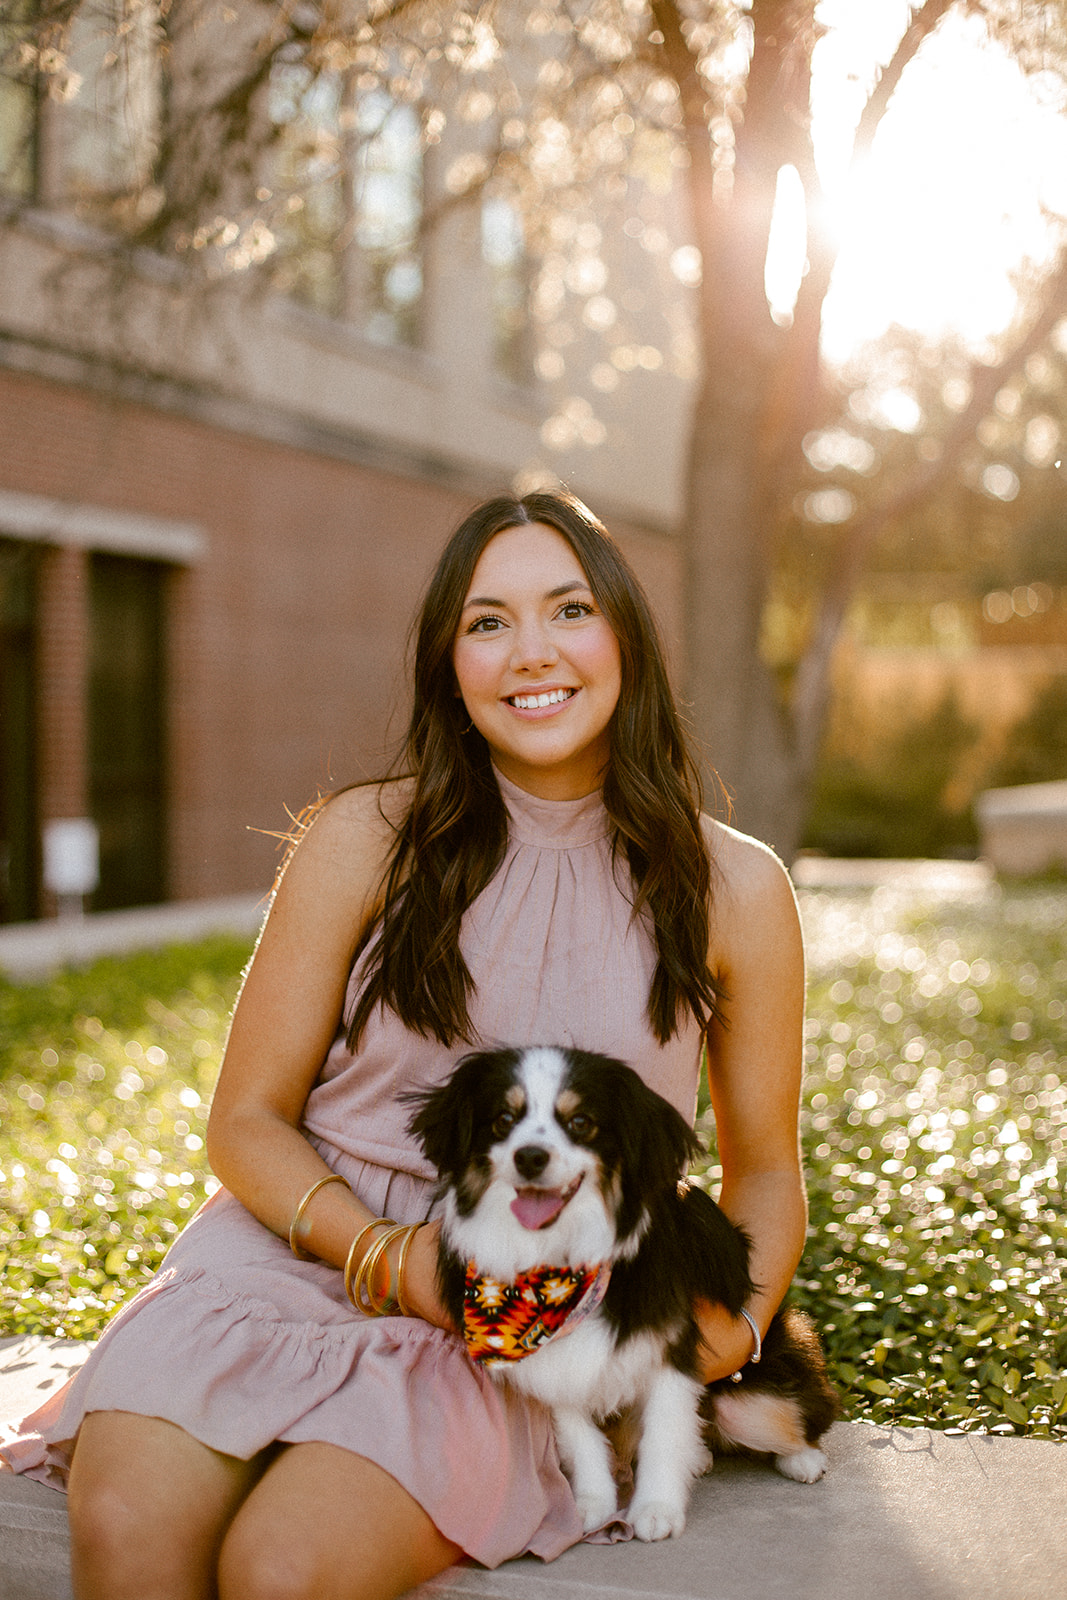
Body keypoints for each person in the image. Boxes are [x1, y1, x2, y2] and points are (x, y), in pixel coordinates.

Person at [0, 490, 807, 1600]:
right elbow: (243, 1122)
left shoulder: (737, 889)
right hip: (286, 1261)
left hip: (522, 1324)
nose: (531, 653)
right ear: (447, 660)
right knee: (131, 1522)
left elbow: (763, 1164)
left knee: (282, 1569)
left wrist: (724, 1333)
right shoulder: (362, 840)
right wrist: (390, 1257)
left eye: (567, 609)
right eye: (487, 622)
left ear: (625, 633)